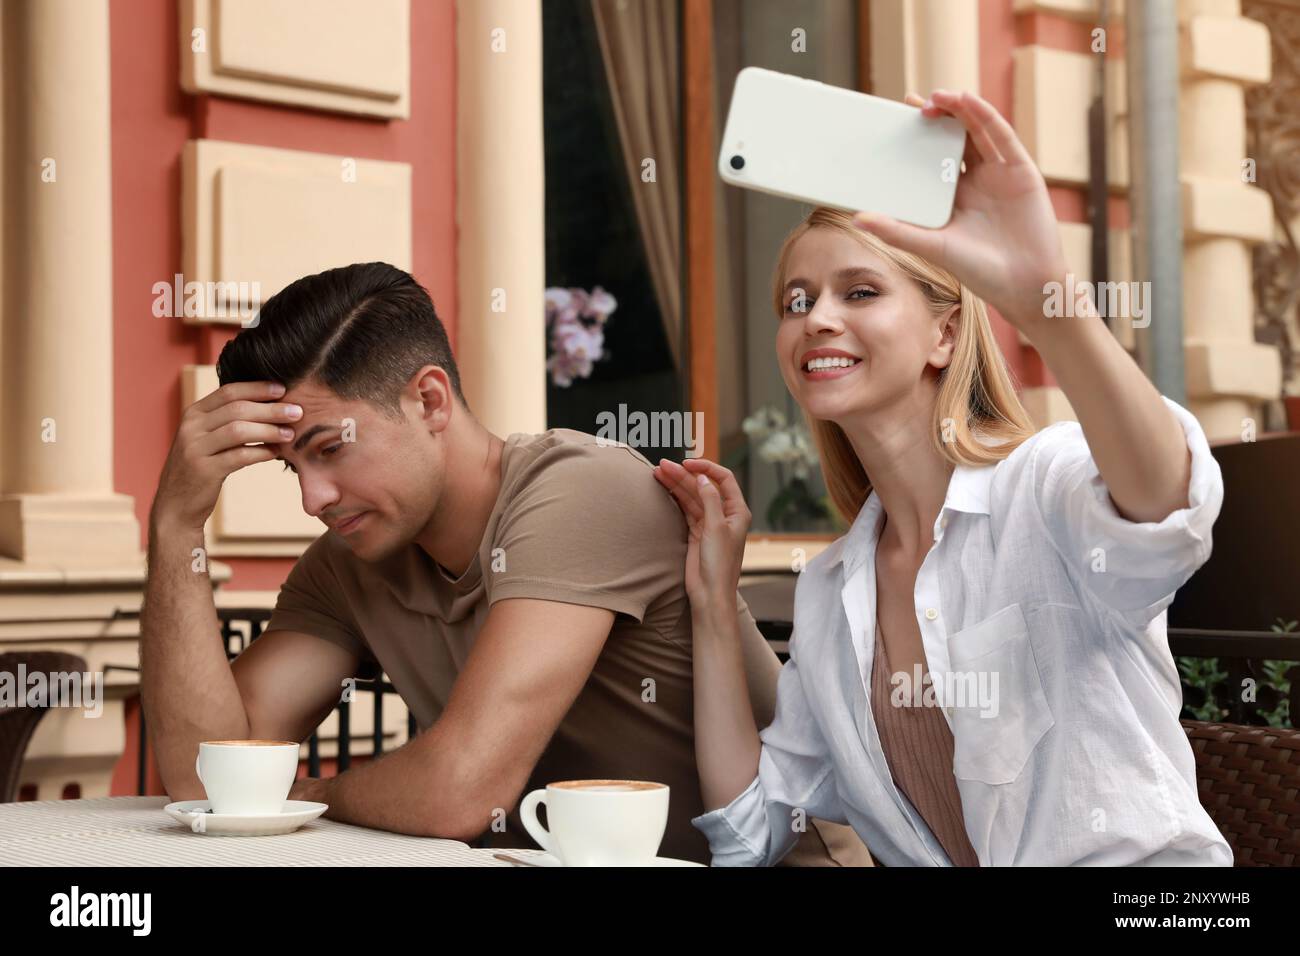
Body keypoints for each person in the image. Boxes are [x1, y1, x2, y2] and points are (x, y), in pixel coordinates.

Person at [654, 89, 1233, 866]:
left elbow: (1171, 510)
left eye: (859, 292)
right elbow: (754, 829)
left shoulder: (1044, 487)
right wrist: (715, 606)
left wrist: (1044, 303)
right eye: (798, 300)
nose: (817, 317)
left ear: (945, 331)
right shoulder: (830, 595)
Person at [141, 261, 871, 865]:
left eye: (331, 449)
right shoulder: (348, 561)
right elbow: (209, 778)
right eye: (291, 468)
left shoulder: (578, 493)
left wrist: (303, 799)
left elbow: (461, 792)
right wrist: (176, 528)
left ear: (428, 399)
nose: (312, 497)